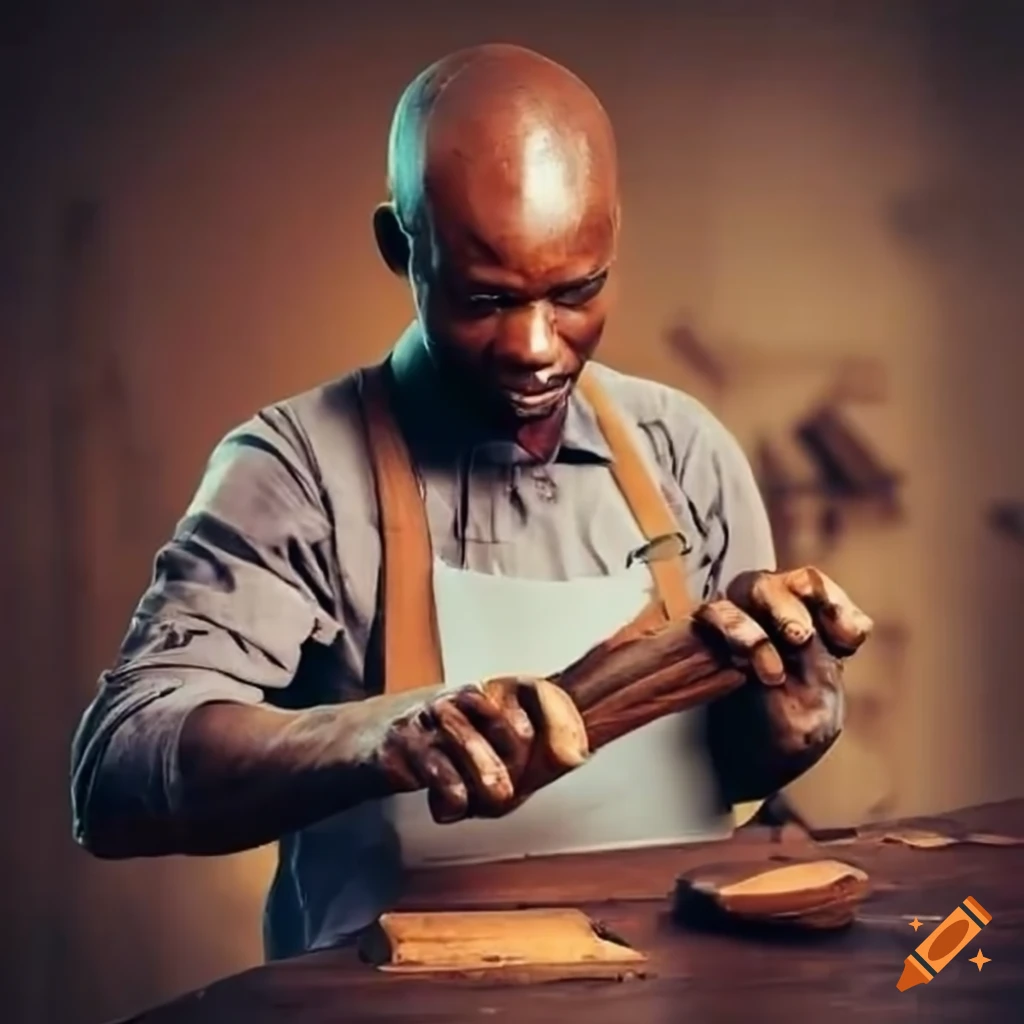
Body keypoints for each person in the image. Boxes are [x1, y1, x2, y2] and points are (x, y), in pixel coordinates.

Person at [70, 43, 873, 961]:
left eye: (575, 292)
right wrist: (382, 736)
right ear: (400, 245)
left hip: (672, 989)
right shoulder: (293, 471)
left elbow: (718, 779)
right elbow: (115, 776)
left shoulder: (683, 449)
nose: (536, 346)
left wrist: (789, 730)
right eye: (486, 298)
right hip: (395, 1005)